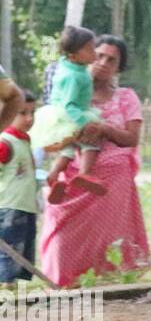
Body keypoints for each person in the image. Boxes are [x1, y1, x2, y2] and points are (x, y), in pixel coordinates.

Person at [39, 37, 151, 286]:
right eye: (99, 55)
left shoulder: (125, 97)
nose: (102, 63)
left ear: (119, 68)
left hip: (110, 178)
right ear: (88, 56)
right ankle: (62, 280)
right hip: (70, 169)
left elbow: (131, 138)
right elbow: (53, 130)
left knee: (107, 239)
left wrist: (102, 128)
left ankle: (106, 280)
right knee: (61, 234)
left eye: (111, 60)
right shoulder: (72, 90)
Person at [32, 26, 106, 204]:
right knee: (93, 137)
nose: (93, 52)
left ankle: (54, 175)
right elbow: (69, 104)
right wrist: (83, 122)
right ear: (73, 56)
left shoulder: (72, 68)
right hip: (70, 114)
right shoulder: (74, 76)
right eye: (89, 49)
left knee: (68, 150)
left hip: (58, 116)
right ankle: (85, 173)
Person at [0, 90, 38, 283]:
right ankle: (6, 288)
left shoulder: (24, 140)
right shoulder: (5, 142)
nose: (29, 118)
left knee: (23, 251)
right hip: (10, 207)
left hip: (26, 207)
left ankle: (15, 290)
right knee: (10, 251)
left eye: (33, 112)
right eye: (22, 113)